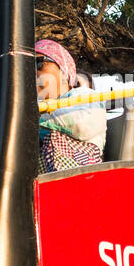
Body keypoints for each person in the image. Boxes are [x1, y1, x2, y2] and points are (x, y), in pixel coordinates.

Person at [35, 38, 105, 172]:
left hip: (82, 173)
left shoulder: (83, 94)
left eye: (39, 64)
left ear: (63, 71)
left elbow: (82, 126)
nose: (32, 73)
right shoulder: (36, 106)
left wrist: (32, 116)